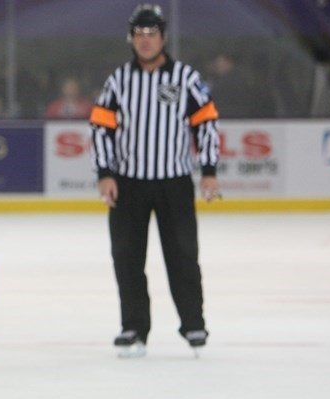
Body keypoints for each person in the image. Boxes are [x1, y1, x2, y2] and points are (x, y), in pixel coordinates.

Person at [89, 4, 220, 358]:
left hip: (173, 183)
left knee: (183, 255)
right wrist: (105, 174)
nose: (146, 41)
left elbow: (206, 122)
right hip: (128, 183)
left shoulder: (186, 78)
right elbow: (101, 126)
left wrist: (208, 171)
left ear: (163, 37)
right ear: (131, 39)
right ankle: (134, 326)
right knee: (127, 257)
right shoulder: (119, 80)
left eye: (152, 34)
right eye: (139, 35)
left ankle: (193, 324)